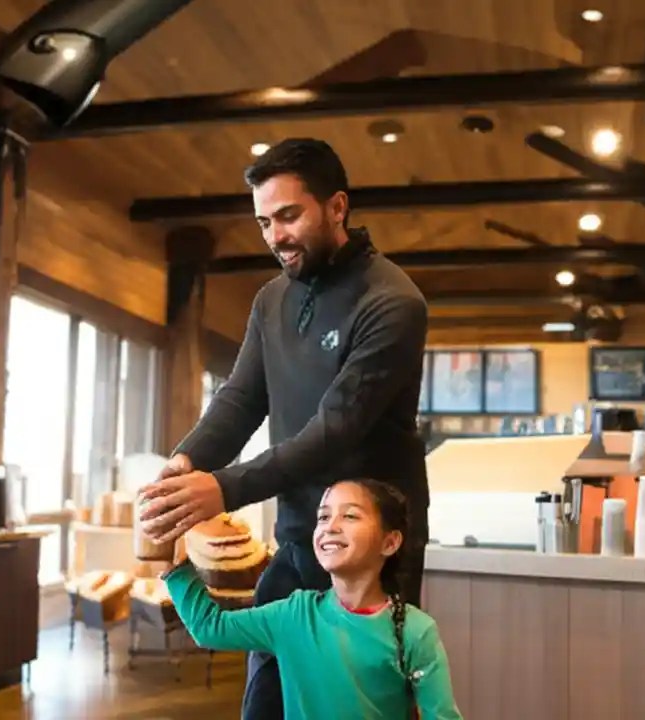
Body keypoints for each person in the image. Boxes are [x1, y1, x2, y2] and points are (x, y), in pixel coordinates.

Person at [137, 138, 431, 719]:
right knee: (265, 705)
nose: (275, 236)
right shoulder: (271, 299)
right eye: (264, 222)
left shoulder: (393, 301)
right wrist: (185, 464)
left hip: (372, 549)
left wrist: (223, 488)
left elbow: (335, 431)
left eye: (289, 215)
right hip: (300, 537)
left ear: (337, 206)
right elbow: (242, 399)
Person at [161, 480, 461, 720]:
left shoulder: (416, 631)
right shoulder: (293, 615)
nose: (330, 526)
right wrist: (174, 565)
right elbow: (209, 627)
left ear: (390, 542)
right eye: (323, 516)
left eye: (351, 515)